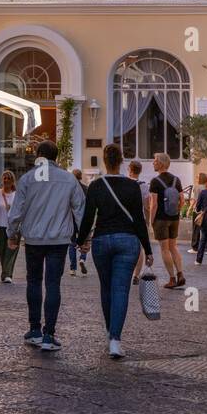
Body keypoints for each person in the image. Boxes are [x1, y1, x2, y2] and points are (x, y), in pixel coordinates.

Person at [7, 140, 86, 352]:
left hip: (33, 240)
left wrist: (12, 234)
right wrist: (86, 238)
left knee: (33, 282)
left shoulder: (26, 179)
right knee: (53, 285)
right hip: (59, 240)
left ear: (39, 156)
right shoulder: (69, 179)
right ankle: (49, 334)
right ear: (56, 157)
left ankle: (34, 330)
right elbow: (80, 210)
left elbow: (16, 212)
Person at [78, 143, 153, 359]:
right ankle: (115, 340)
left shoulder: (95, 186)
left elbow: (88, 217)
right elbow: (139, 221)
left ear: (104, 160)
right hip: (127, 241)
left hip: (102, 240)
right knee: (120, 289)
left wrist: (81, 241)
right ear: (121, 161)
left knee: (106, 288)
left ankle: (110, 331)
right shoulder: (132, 187)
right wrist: (147, 249)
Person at [149, 152, 185, 290]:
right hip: (174, 218)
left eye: (155, 161)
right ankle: (180, 273)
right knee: (173, 247)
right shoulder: (177, 180)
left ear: (161, 163)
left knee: (164, 249)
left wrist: (151, 222)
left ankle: (172, 279)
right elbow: (182, 200)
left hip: (161, 219)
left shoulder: (155, 181)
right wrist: (177, 212)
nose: (153, 163)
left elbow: (154, 204)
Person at [0, 170, 19, 283]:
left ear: (12, 181)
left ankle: (7, 275)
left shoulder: (17, 195)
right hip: (0, 227)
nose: (6, 180)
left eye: (8, 178)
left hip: (14, 229)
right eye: (4, 178)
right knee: (2, 252)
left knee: (11, 252)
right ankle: (6, 273)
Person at [128, 158, 152, 285]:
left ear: (130, 170)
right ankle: (136, 275)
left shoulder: (124, 184)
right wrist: (147, 222)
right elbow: (147, 207)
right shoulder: (144, 186)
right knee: (140, 249)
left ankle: (126, 272)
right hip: (139, 220)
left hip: (126, 221)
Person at [68, 168, 89, 276]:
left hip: (71, 219)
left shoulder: (69, 189)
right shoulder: (86, 189)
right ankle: (82, 259)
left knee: (72, 243)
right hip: (84, 219)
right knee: (84, 240)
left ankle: (72, 268)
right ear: (81, 177)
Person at [191, 171, 207, 253]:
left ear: (200, 179)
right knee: (205, 230)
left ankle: (195, 247)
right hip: (205, 211)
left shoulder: (197, 187)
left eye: (197, 177)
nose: (196, 178)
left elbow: (195, 199)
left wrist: (190, 208)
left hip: (197, 210)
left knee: (196, 229)